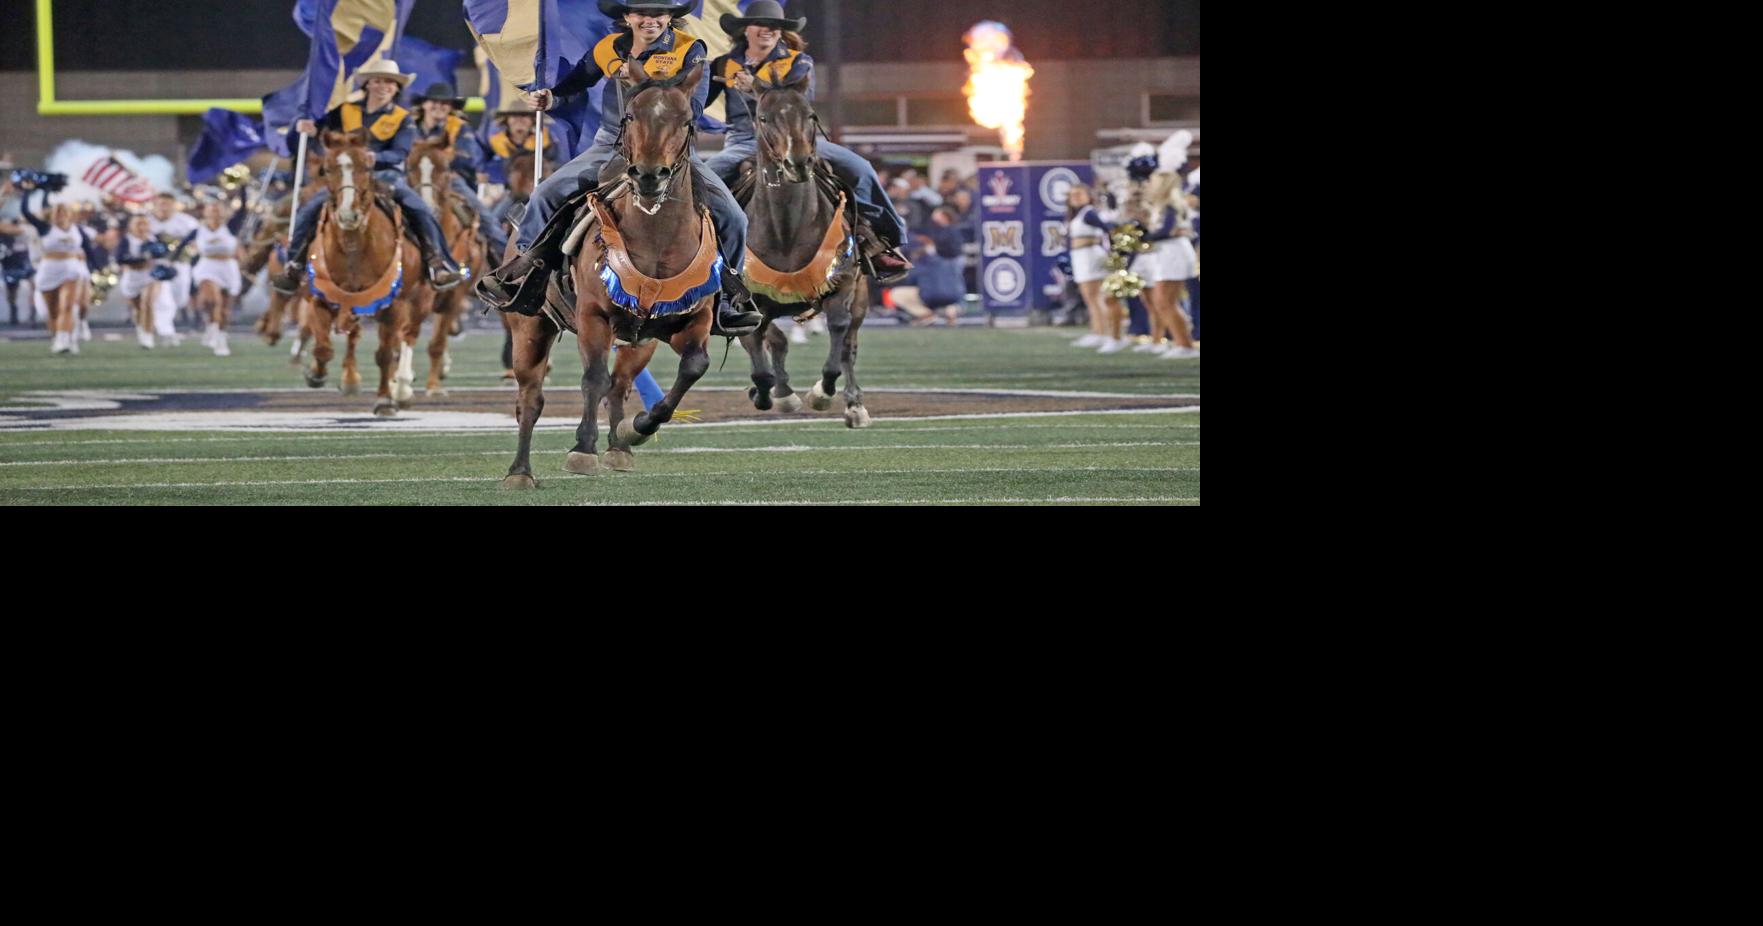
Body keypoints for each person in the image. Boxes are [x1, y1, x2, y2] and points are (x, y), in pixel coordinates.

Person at [475, 0, 763, 334]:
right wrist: (550, 98)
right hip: (610, 144)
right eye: (641, 13)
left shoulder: (690, 50)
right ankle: (524, 268)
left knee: (733, 217)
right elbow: (574, 85)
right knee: (546, 192)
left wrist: (646, 82)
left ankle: (730, 295)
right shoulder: (608, 48)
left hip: (672, 151)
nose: (650, 20)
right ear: (627, 17)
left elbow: (693, 107)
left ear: (671, 17)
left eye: (658, 13)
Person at [702, 0, 911, 281]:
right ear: (745, 30)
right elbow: (698, 102)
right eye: (762, 25)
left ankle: (881, 240)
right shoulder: (723, 64)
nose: (768, 30)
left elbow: (797, 100)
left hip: (795, 139)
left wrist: (756, 89)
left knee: (860, 168)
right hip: (744, 141)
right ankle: (701, 250)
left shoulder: (798, 61)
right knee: (705, 177)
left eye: (775, 26)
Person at [272, 58, 464, 296]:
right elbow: (318, 129)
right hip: (347, 178)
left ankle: (438, 263)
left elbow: (401, 152)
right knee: (309, 209)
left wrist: (376, 157)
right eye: (378, 81)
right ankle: (295, 264)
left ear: (396, 89)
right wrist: (304, 126)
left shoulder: (402, 119)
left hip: (386, 175)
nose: (384, 87)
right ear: (367, 85)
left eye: (390, 83)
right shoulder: (344, 111)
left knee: (420, 209)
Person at [411, 81, 508, 257]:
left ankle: (506, 262)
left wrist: (441, 161)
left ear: (450, 108)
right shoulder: (410, 127)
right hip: (414, 178)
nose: (439, 106)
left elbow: (468, 158)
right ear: (424, 104)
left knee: (486, 218)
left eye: (444, 103)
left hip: (449, 179)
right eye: (434, 102)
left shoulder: (459, 127)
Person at [22, 188, 90, 354]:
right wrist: (27, 193)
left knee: (67, 305)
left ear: (69, 214)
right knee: (52, 311)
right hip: (49, 270)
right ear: (52, 215)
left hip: (71, 270)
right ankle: (57, 339)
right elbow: (26, 212)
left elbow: (86, 248)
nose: (60, 215)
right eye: (57, 212)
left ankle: (64, 339)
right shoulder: (45, 228)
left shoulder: (76, 229)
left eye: (63, 212)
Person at [1064, 184, 1127, 353]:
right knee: (1090, 298)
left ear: (1088, 195)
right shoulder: (1078, 215)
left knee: (1096, 296)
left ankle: (1107, 333)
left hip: (1090, 255)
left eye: (1079, 194)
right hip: (1081, 256)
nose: (1075, 197)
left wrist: (1115, 250)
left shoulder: (1089, 212)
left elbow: (1108, 228)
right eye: (1072, 195)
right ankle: (1098, 331)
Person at [116, 213, 180, 348]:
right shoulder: (126, 240)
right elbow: (120, 258)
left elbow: (165, 256)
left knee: (148, 303)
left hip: (150, 276)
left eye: (144, 224)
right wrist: (141, 259)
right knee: (138, 308)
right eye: (138, 224)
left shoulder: (155, 240)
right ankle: (142, 329)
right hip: (132, 277)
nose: (141, 227)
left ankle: (148, 335)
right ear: (131, 226)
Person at [191, 201, 243, 356]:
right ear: (205, 212)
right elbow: (181, 246)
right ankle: (211, 325)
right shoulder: (198, 230)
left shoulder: (232, 228)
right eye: (212, 210)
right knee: (213, 301)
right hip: (207, 266)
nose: (215, 213)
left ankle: (220, 337)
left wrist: (242, 186)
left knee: (225, 309)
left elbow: (243, 209)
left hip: (227, 267)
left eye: (219, 210)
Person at [147, 192, 199, 328]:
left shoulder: (187, 222)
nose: (164, 208)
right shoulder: (146, 221)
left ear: (174, 205)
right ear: (155, 205)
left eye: (167, 204)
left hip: (179, 263)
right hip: (155, 263)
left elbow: (196, 242)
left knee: (181, 296)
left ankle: (174, 317)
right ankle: (162, 325)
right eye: (161, 204)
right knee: (159, 295)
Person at [0, 165, 37, 326]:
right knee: (12, 285)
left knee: (35, 281)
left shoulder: (27, 200)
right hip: (10, 251)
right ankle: (13, 310)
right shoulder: (4, 200)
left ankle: (33, 312)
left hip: (27, 250)